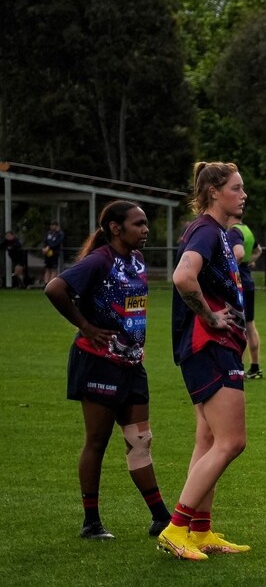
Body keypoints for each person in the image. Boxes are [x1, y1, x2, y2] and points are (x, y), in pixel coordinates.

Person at [44, 201, 173, 540]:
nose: (145, 230)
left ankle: (161, 518)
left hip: (131, 363)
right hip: (98, 361)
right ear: (116, 228)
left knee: (140, 440)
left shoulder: (138, 261)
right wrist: (85, 326)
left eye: (146, 224)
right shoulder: (99, 261)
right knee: (97, 441)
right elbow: (55, 289)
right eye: (138, 224)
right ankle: (91, 522)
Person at [160, 162, 251, 561]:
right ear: (214, 192)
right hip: (207, 345)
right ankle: (176, 528)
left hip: (218, 345)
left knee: (209, 439)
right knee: (232, 441)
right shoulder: (205, 230)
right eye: (236, 188)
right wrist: (211, 318)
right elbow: (183, 277)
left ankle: (199, 530)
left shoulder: (217, 232)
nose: (243, 194)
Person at [227, 218, 264, 379]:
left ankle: (238, 368)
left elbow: (239, 254)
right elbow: (258, 250)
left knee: (237, 325)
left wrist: (227, 268)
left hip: (238, 282)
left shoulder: (233, 231)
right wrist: (250, 262)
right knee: (249, 324)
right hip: (248, 279)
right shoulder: (246, 229)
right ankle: (255, 367)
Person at [42, 220, 65, 286]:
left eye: (53, 225)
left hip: (54, 253)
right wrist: (44, 248)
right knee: (47, 268)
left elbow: (57, 243)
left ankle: (51, 283)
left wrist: (49, 247)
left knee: (53, 268)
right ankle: (46, 283)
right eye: (51, 225)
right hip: (47, 253)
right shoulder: (49, 233)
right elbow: (45, 241)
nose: (52, 227)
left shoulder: (60, 234)